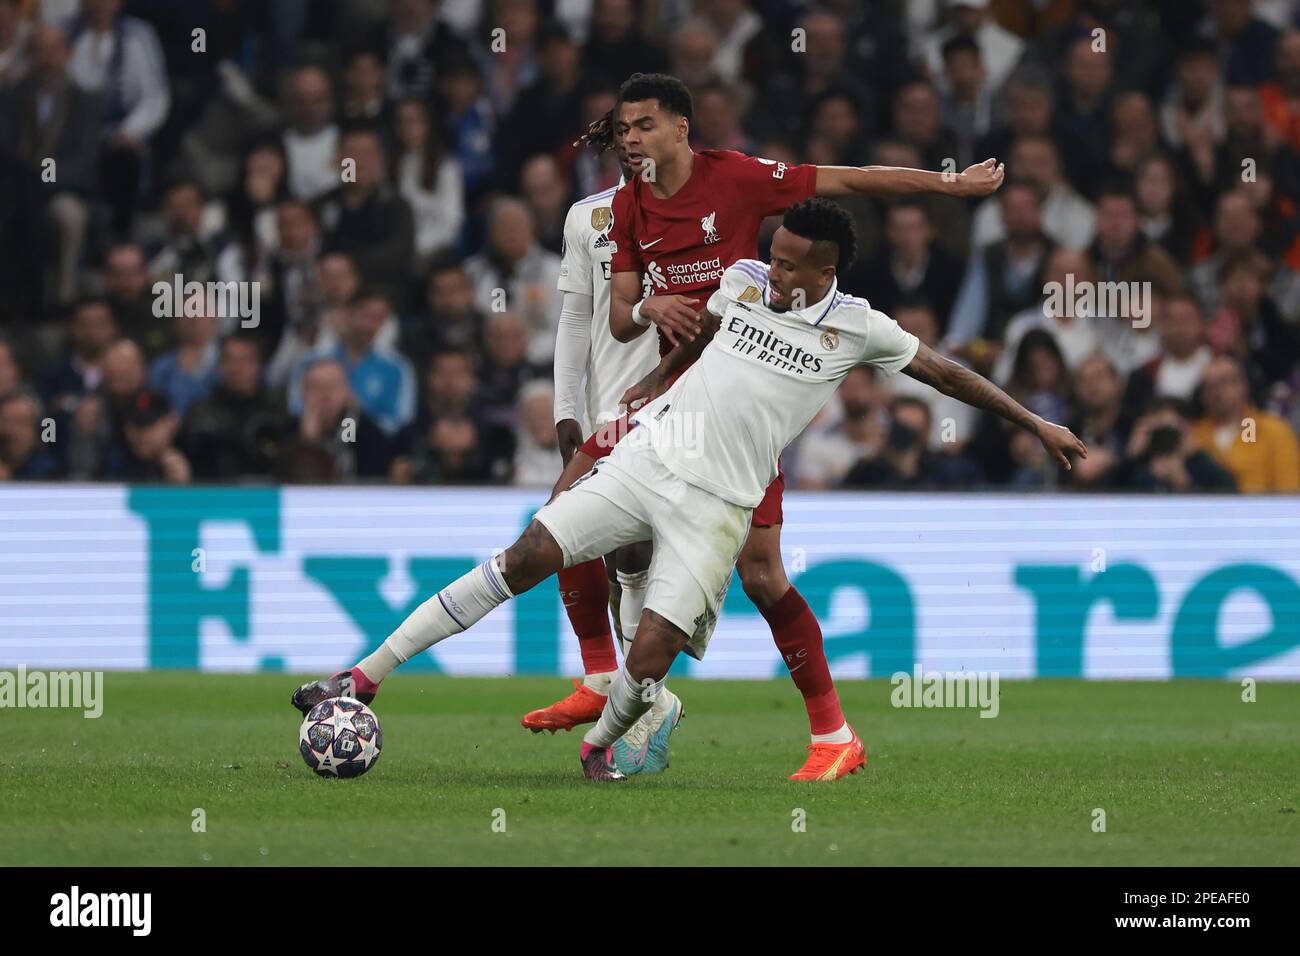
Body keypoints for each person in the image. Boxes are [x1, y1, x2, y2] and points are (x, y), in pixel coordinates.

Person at [292, 198, 1085, 782]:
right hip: (650, 457)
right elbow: (698, 340)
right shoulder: (741, 281)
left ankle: (603, 744)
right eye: (773, 256)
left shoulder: (860, 327)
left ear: (826, 272)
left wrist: (1035, 423)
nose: (773, 271)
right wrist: (646, 392)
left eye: (790, 265)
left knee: (653, 654)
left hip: (719, 505)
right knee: (527, 553)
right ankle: (364, 675)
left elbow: (946, 373)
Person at [527, 72, 1004, 780]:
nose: (632, 141)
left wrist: (946, 184)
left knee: (760, 573)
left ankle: (828, 733)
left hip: (734, 410)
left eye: (645, 126)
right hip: (655, 403)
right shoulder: (601, 215)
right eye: (624, 130)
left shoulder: (738, 180)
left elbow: (848, 180)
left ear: (680, 130)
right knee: (582, 528)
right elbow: (594, 317)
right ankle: (611, 683)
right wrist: (572, 405)